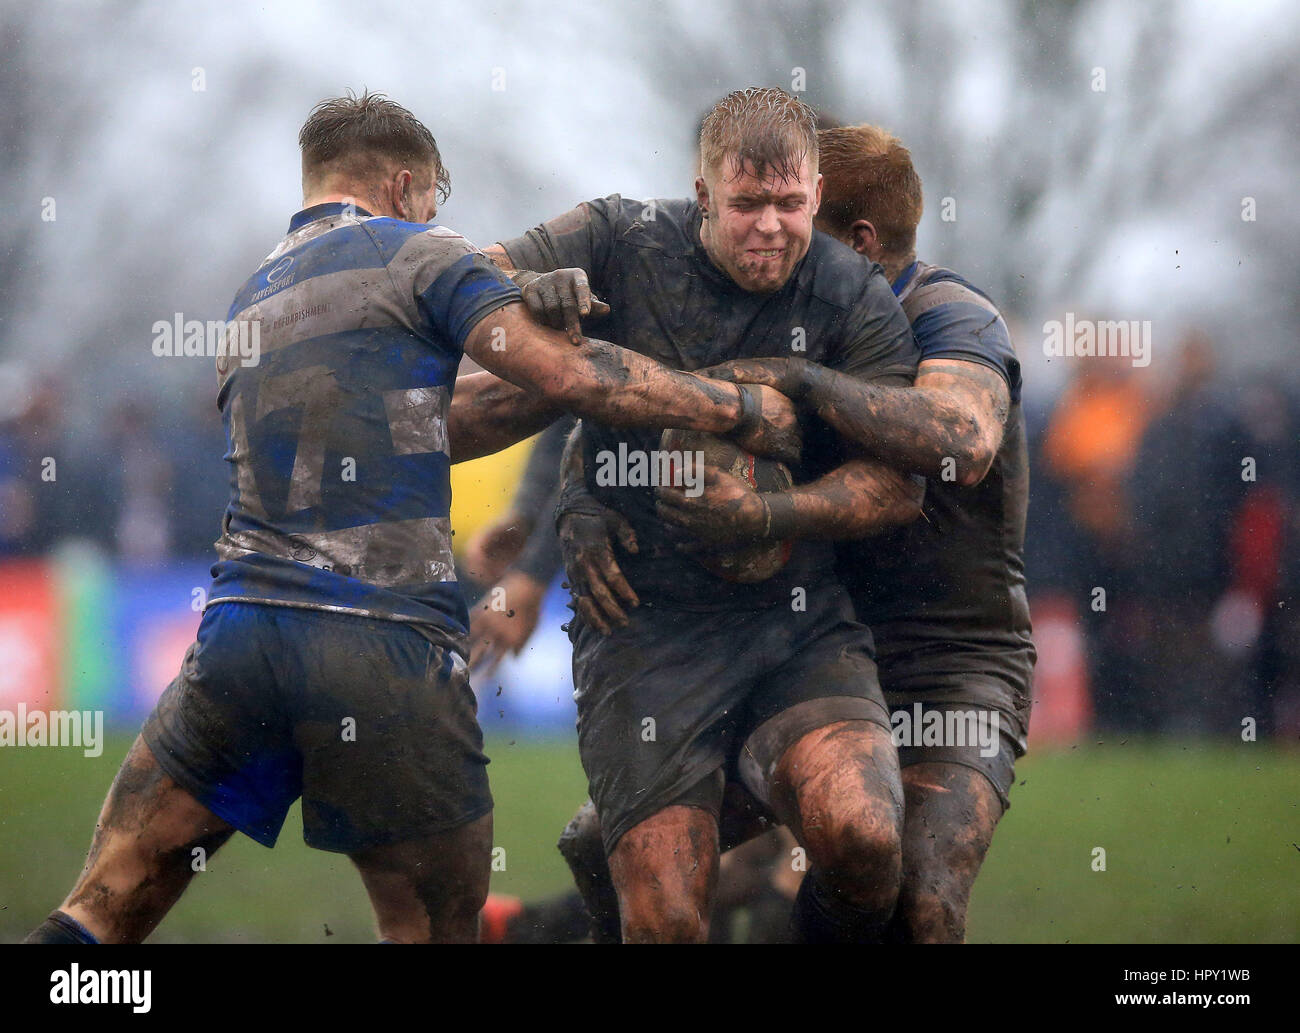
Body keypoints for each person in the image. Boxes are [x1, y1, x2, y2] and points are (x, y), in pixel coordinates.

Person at [22, 90, 797, 946]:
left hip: (239, 638)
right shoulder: (417, 252)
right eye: (435, 197)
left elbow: (432, 426)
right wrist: (736, 406)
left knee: (105, 901)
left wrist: (544, 385)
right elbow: (568, 376)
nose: (437, 216)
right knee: (431, 927)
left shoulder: (255, 297)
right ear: (402, 185)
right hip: (382, 645)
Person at [554, 123, 1034, 943]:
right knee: (600, 845)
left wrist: (804, 383)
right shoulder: (784, 312)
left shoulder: (949, 318)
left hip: (943, 663)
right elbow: (637, 410)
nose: (771, 249)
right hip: (806, 641)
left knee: (919, 900)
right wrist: (581, 496)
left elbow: (964, 440)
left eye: (798, 221)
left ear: (853, 239)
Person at [484, 87, 925, 944]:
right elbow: (472, 276)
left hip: (797, 627)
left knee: (866, 835)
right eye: (747, 203)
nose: (770, 224)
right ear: (703, 193)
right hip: (644, 629)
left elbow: (902, 485)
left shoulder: (851, 296)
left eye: (790, 204)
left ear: (819, 197)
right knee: (666, 921)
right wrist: (531, 290)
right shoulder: (620, 238)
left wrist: (767, 514)